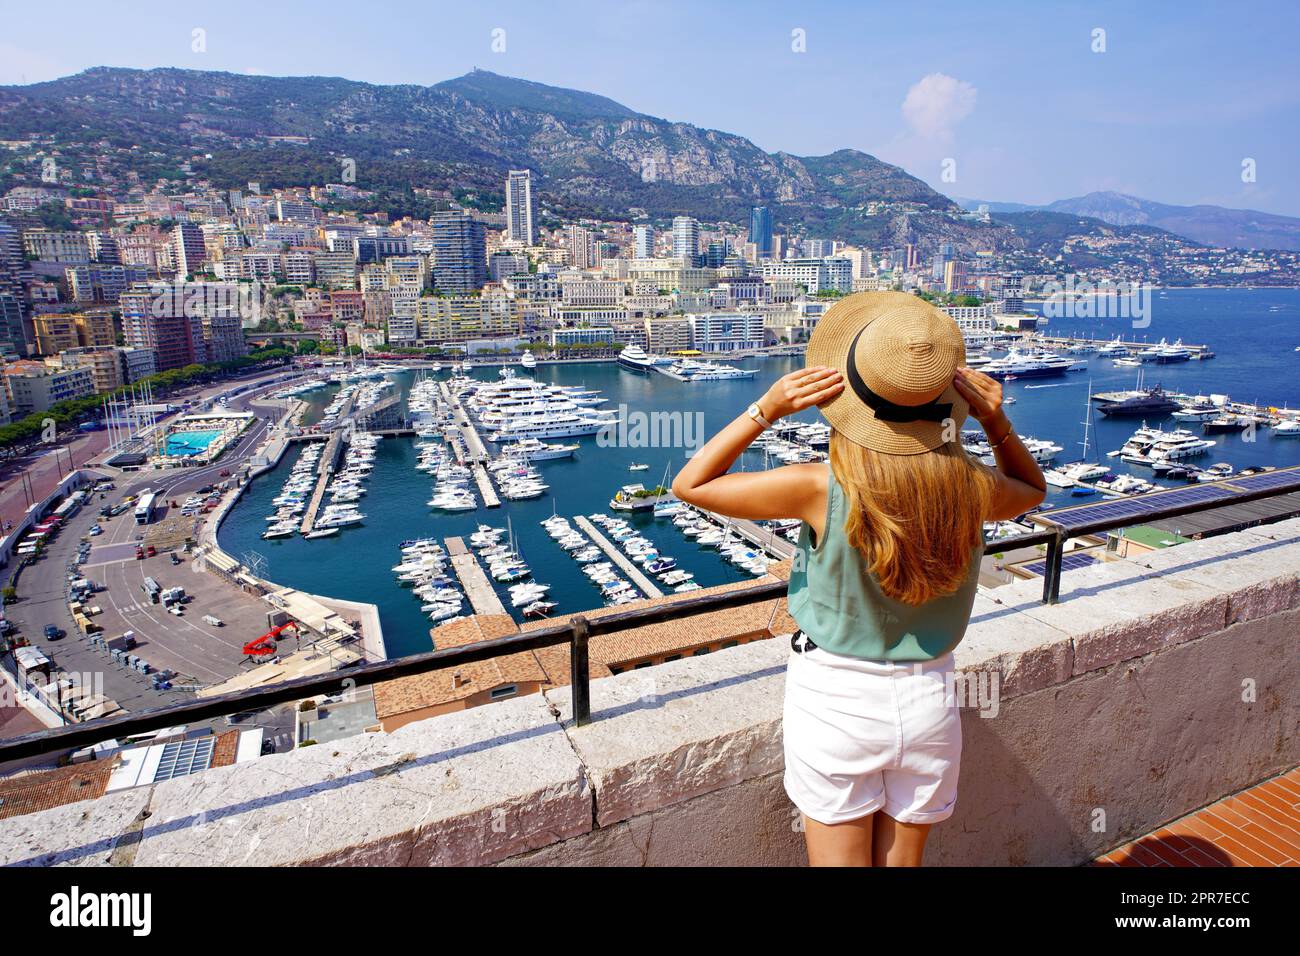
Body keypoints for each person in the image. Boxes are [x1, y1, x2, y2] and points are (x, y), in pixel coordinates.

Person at [672, 291, 1046, 867]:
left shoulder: (820, 487)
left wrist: (765, 410)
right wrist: (996, 421)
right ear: (949, 400)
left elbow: (692, 484)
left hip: (835, 700)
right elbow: (1032, 491)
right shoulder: (971, 488)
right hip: (930, 699)